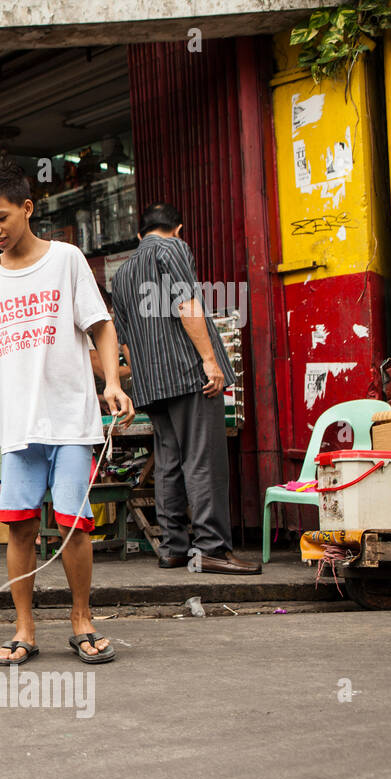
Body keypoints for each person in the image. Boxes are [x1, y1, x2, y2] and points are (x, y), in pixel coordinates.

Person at [0, 155, 134, 666]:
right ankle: (24, 626)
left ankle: (82, 619)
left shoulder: (66, 260)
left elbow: (100, 325)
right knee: (18, 525)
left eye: (1, 217)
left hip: (71, 420)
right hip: (17, 428)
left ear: (27, 207)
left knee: (74, 523)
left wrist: (112, 383)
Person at [110, 203, 260, 574]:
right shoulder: (173, 248)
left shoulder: (123, 272)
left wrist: (142, 377)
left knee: (169, 464)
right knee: (203, 461)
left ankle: (173, 547)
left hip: (152, 382)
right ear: (177, 229)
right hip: (188, 374)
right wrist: (209, 360)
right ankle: (211, 548)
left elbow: (124, 338)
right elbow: (187, 303)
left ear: (139, 234)